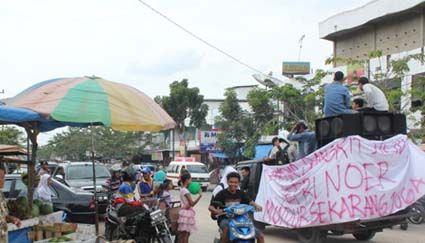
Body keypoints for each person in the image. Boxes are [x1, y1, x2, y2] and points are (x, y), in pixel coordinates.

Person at [208, 172, 264, 243]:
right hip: (226, 219)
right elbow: (211, 207)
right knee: (226, 229)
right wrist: (216, 211)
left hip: (242, 219)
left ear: (238, 183)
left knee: (260, 236)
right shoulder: (221, 194)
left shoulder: (241, 193)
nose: (233, 184)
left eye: (235, 182)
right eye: (231, 182)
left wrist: (256, 205)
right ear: (227, 182)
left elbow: (250, 201)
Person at [178, 172, 202, 243]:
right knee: (186, 235)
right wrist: (199, 196)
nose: (191, 181)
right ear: (187, 180)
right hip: (187, 213)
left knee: (183, 235)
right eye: (190, 179)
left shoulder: (182, 189)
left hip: (184, 212)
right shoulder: (185, 191)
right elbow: (192, 203)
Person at [0, 163, 21, 243]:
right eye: (1, 177)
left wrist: (11, 218)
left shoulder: (1, 195)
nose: (3, 180)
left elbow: (3, 215)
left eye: (3, 177)